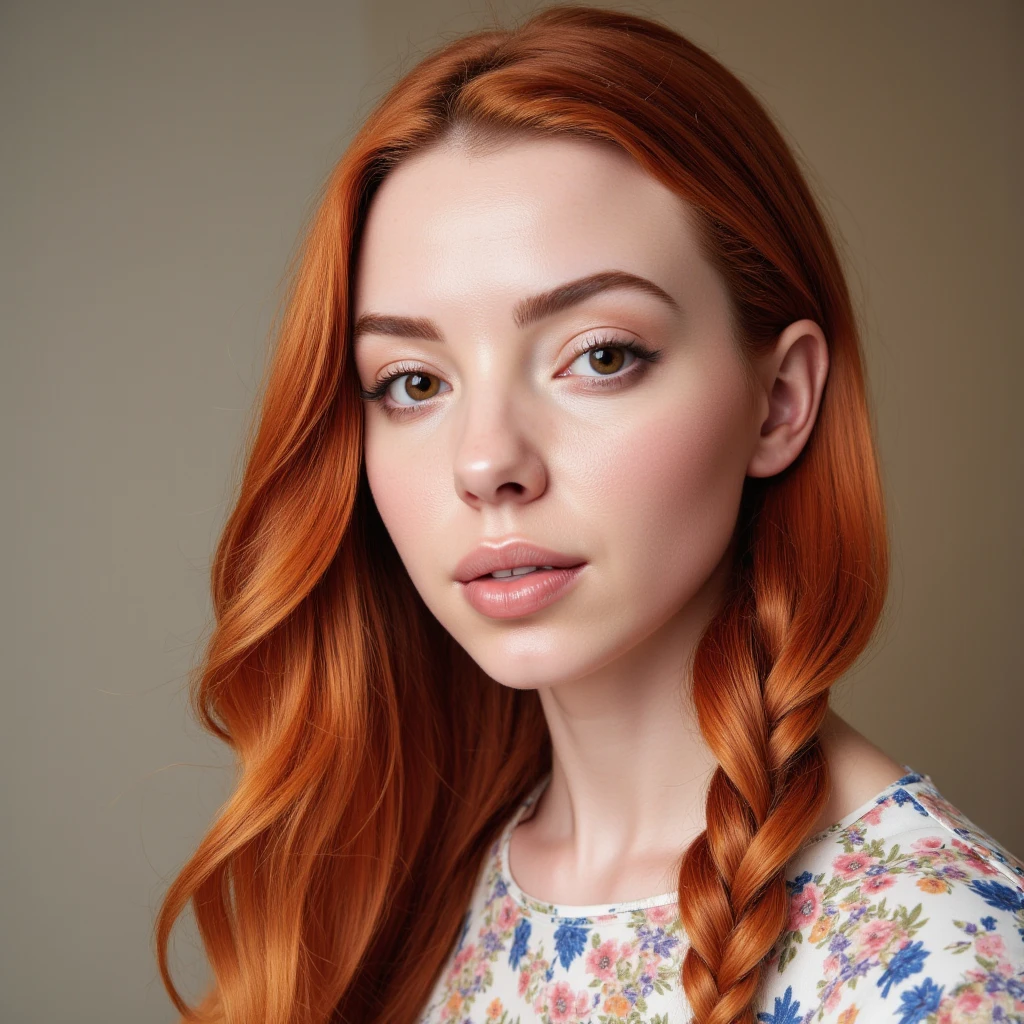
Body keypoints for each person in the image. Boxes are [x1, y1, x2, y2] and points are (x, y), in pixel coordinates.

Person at [154, 6, 1024, 1024]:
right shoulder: (408, 885)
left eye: (599, 355)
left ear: (779, 400)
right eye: (410, 381)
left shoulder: (940, 963)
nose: (485, 462)